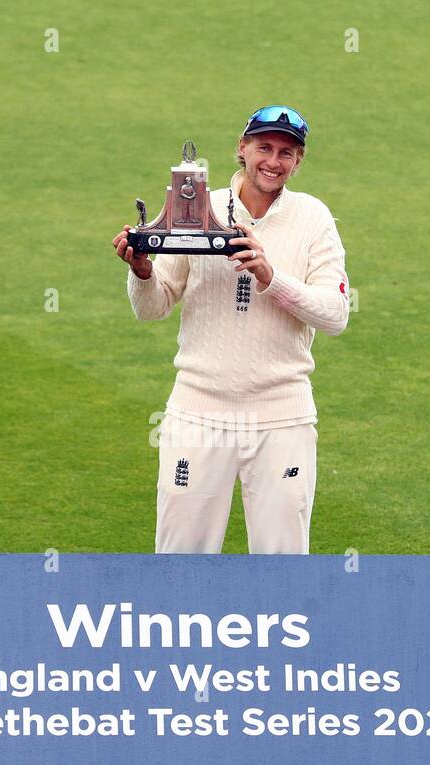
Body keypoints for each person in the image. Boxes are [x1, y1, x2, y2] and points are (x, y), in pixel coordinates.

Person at [112, 105, 350, 554]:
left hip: (282, 417)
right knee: (182, 561)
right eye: (264, 147)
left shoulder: (313, 218)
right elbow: (154, 307)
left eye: (286, 152)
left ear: (299, 161)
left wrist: (269, 276)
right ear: (242, 149)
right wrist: (141, 272)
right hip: (197, 414)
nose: (273, 162)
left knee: (282, 563)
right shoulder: (195, 208)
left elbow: (335, 314)